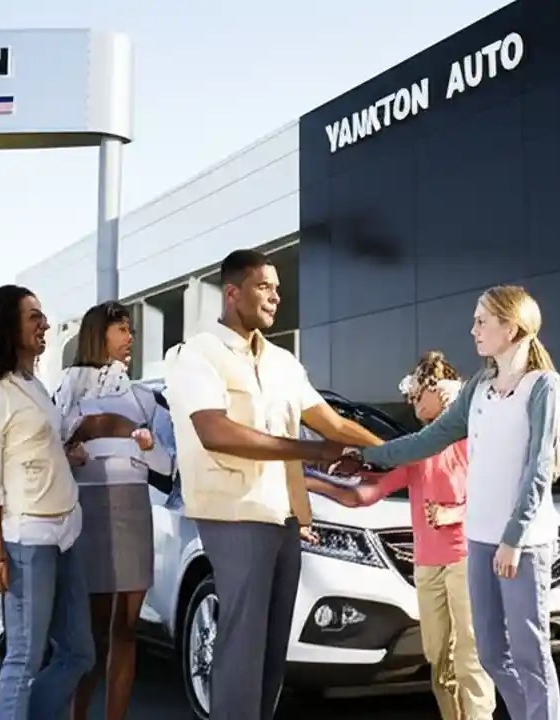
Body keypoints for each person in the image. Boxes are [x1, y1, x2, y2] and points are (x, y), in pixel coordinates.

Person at [162, 249, 383, 720]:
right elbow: (214, 432)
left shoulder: (282, 361)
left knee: (270, 653)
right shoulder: (196, 355)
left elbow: (332, 423)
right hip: (234, 515)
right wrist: (312, 452)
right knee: (241, 648)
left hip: (285, 517)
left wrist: (397, 454)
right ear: (232, 292)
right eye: (266, 286)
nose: (276, 296)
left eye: (278, 288)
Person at [333, 285, 560, 720]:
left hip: (521, 544)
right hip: (478, 541)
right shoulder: (479, 386)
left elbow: (538, 468)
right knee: (494, 656)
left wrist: (513, 539)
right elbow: (426, 441)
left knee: (530, 656)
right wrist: (366, 456)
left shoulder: (544, 386)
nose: (473, 328)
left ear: (509, 327)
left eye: (481, 320)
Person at [308, 351, 496, 720]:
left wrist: (453, 512)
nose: (411, 400)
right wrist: (312, 482)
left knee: (469, 658)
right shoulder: (416, 450)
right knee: (438, 660)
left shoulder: (472, 438)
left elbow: (495, 498)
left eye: (417, 391)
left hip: (465, 560)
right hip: (426, 566)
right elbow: (364, 494)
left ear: (440, 390)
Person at [0, 285, 95, 720]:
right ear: (7, 326)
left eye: (43, 315)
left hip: (67, 531)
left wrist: (65, 452)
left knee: (79, 652)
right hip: (26, 538)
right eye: (33, 316)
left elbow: (38, 443)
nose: (45, 324)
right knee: (23, 659)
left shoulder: (34, 384)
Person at [55, 301, 173, 720]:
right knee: (92, 633)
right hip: (89, 510)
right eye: (122, 329)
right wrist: (76, 445)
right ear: (98, 334)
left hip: (133, 507)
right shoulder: (66, 388)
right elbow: (52, 452)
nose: (131, 339)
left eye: (131, 331)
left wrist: (143, 444)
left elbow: (167, 466)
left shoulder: (144, 397)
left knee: (126, 629)